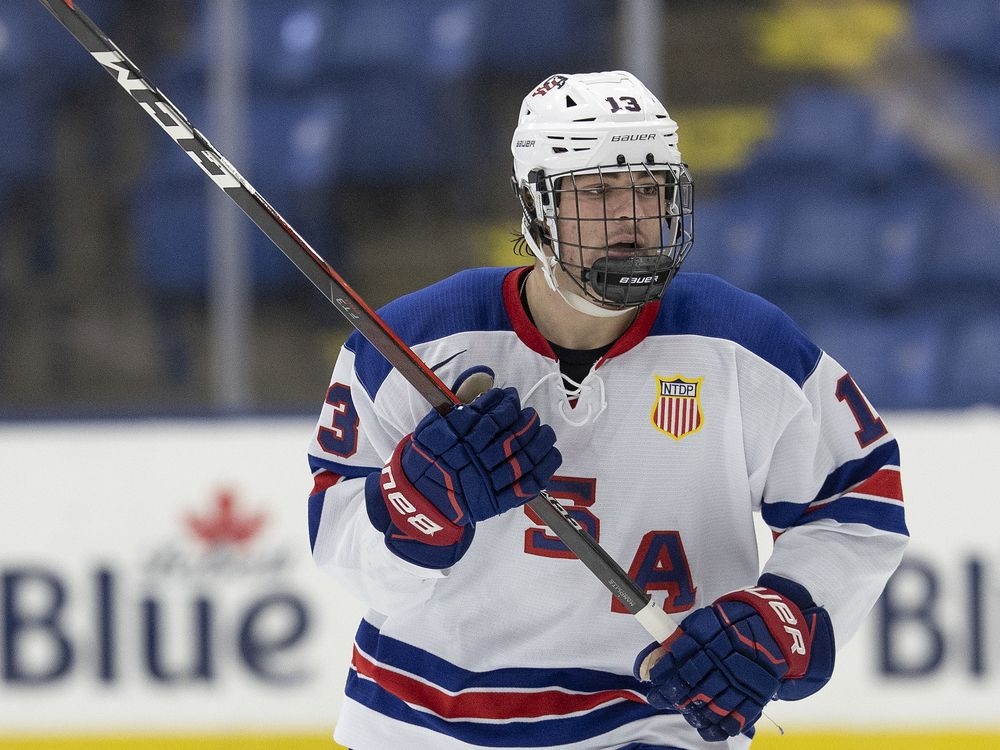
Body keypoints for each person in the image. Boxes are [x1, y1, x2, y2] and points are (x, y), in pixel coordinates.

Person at [307, 70, 908, 749]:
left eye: (649, 189)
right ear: (536, 205)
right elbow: (347, 553)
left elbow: (858, 495)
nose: (629, 216)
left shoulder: (746, 347)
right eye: (597, 191)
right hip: (423, 724)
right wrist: (415, 506)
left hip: (656, 721)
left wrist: (784, 615)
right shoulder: (418, 344)